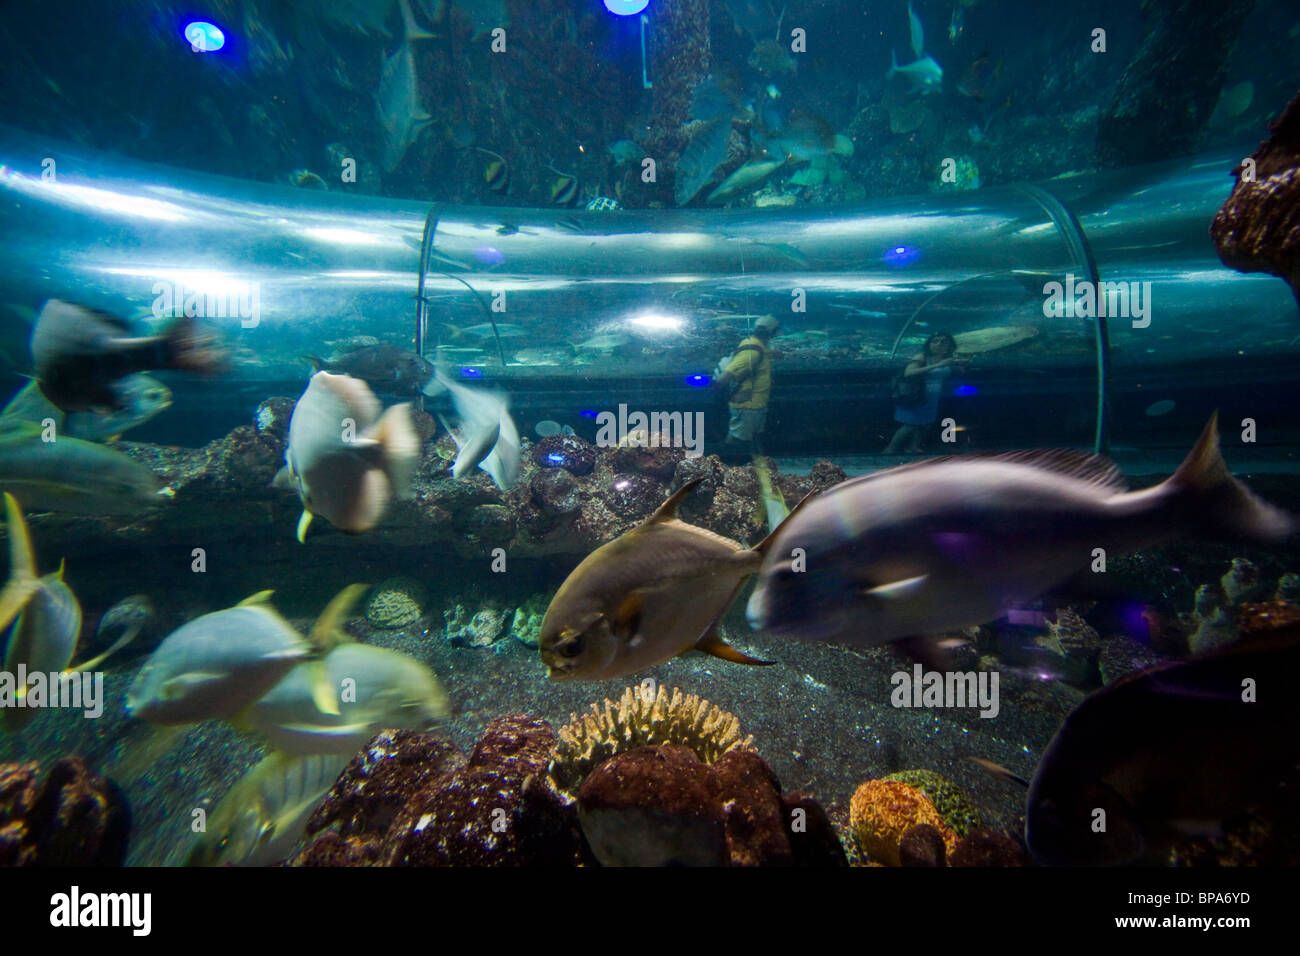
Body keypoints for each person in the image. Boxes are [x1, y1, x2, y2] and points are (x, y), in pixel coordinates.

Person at [884, 331, 963, 455]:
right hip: (916, 395)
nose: (939, 344)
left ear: (950, 344)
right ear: (929, 343)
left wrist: (959, 365)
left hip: (933, 397)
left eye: (943, 341)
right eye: (935, 341)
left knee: (925, 423)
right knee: (910, 424)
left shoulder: (948, 358)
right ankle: (890, 449)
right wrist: (938, 365)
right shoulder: (922, 356)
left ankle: (913, 446)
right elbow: (909, 372)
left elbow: (952, 371)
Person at [715, 314, 780, 462]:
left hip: (755, 406)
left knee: (749, 441)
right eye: (776, 332)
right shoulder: (752, 351)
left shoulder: (758, 345)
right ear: (771, 332)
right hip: (747, 407)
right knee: (736, 442)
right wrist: (730, 396)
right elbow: (724, 378)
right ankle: (727, 469)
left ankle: (746, 472)